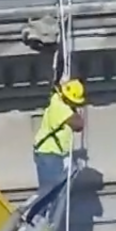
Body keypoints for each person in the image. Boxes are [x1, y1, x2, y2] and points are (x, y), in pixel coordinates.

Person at [29, 78, 85, 216]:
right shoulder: (60, 107)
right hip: (49, 154)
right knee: (49, 191)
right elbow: (79, 125)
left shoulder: (58, 101)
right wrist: (75, 110)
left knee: (53, 192)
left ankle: (41, 216)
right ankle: (35, 217)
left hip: (53, 154)